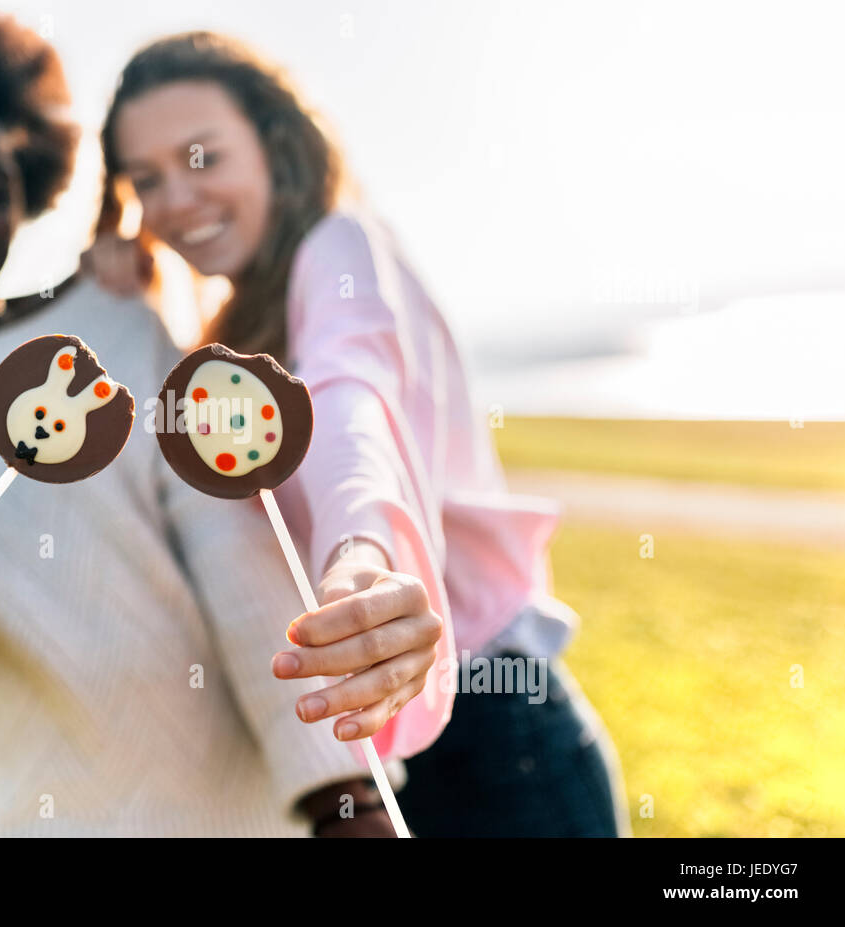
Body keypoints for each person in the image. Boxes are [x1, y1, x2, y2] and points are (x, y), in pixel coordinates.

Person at [0, 1, 442, 837]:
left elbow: (232, 547)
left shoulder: (111, 331)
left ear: (28, 201)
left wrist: (346, 792)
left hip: (251, 814)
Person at [86, 31, 632, 836]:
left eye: (202, 157)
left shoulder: (339, 249)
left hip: (497, 733)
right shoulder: (235, 330)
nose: (173, 201)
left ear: (275, 144)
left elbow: (353, 403)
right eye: (147, 180)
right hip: (381, 747)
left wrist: (361, 556)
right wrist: (117, 305)